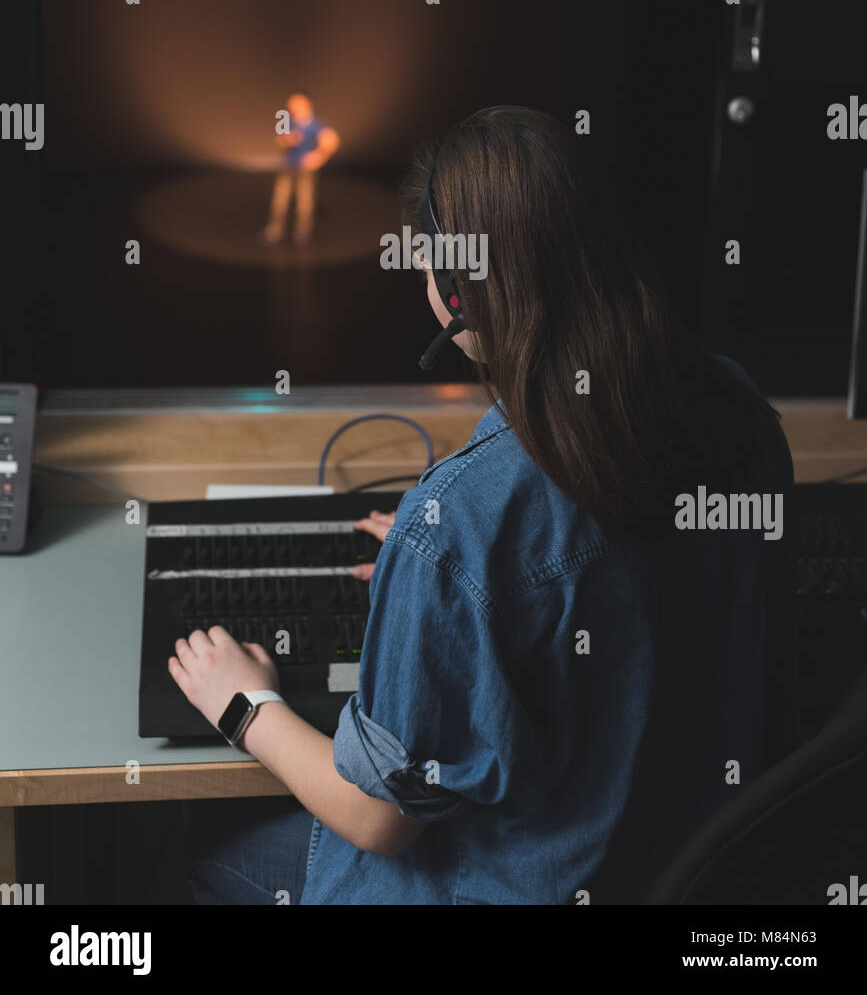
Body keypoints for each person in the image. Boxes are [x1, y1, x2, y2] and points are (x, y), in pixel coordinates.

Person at [177, 105, 796, 905]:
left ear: (456, 295)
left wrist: (245, 705)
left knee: (203, 841)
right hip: (685, 870)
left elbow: (378, 819)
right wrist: (463, 577)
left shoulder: (463, 521)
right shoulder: (740, 413)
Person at [261, 93, 340, 244]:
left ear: (307, 105)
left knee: (305, 200)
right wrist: (286, 140)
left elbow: (332, 140)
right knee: (280, 199)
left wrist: (319, 157)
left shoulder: (315, 124)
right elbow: (279, 140)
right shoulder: (288, 121)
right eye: (291, 104)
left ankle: (302, 232)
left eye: (297, 104)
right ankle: (276, 229)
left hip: (305, 168)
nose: (293, 107)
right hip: (288, 165)